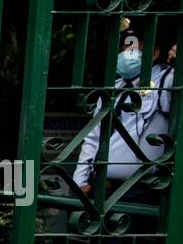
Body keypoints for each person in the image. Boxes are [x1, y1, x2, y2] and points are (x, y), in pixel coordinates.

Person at [73, 19, 175, 200]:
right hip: (101, 187)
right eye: (124, 49)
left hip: (142, 189)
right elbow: (93, 137)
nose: (126, 54)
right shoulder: (114, 89)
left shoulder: (166, 80)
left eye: (134, 49)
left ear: (155, 53)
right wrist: (80, 180)